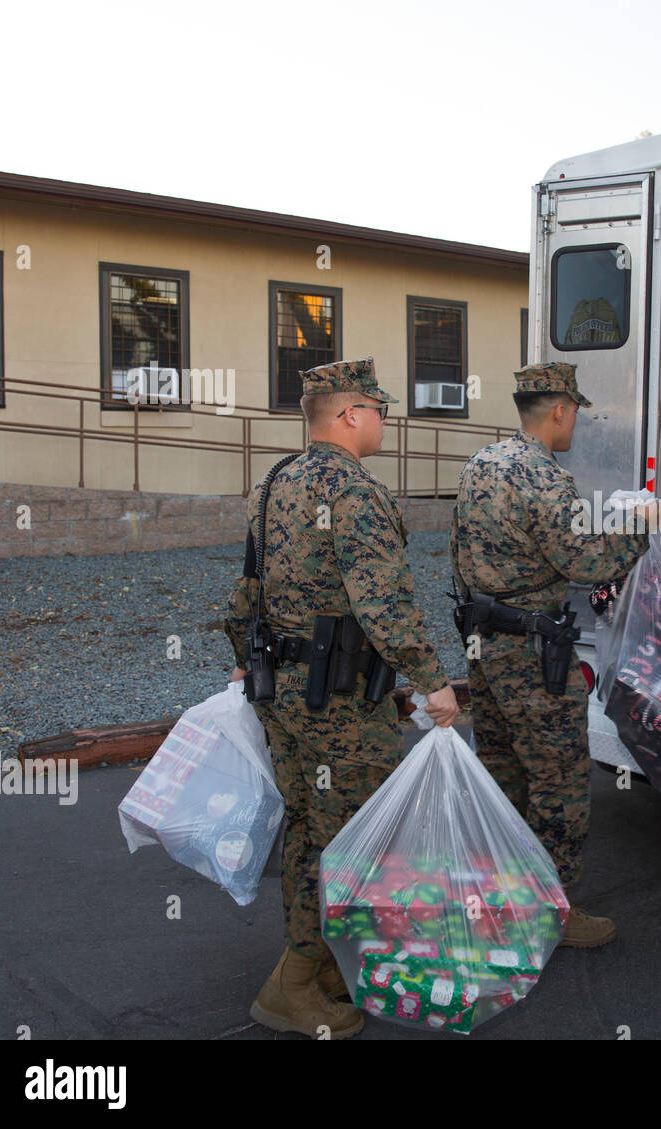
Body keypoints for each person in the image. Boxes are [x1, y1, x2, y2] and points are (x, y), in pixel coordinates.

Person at [224, 356, 458, 1040]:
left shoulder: (273, 483)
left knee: (307, 827)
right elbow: (384, 601)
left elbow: (246, 590)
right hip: (341, 705)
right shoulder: (353, 491)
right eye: (378, 409)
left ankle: (321, 964)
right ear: (349, 414)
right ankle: (293, 982)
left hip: (286, 696)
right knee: (352, 838)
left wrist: (245, 664)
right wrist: (432, 679)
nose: (385, 420)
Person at [450, 362, 657, 948]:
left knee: (502, 775)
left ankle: (498, 901)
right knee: (559, 784)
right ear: (560, 410)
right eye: (576, 412)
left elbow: (459, 552)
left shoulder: (480, 463)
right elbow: (586, 562)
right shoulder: (544, 476)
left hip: (483, 641)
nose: (575, 424)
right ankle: (551, 914)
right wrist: (640, 527)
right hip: (533, 652)